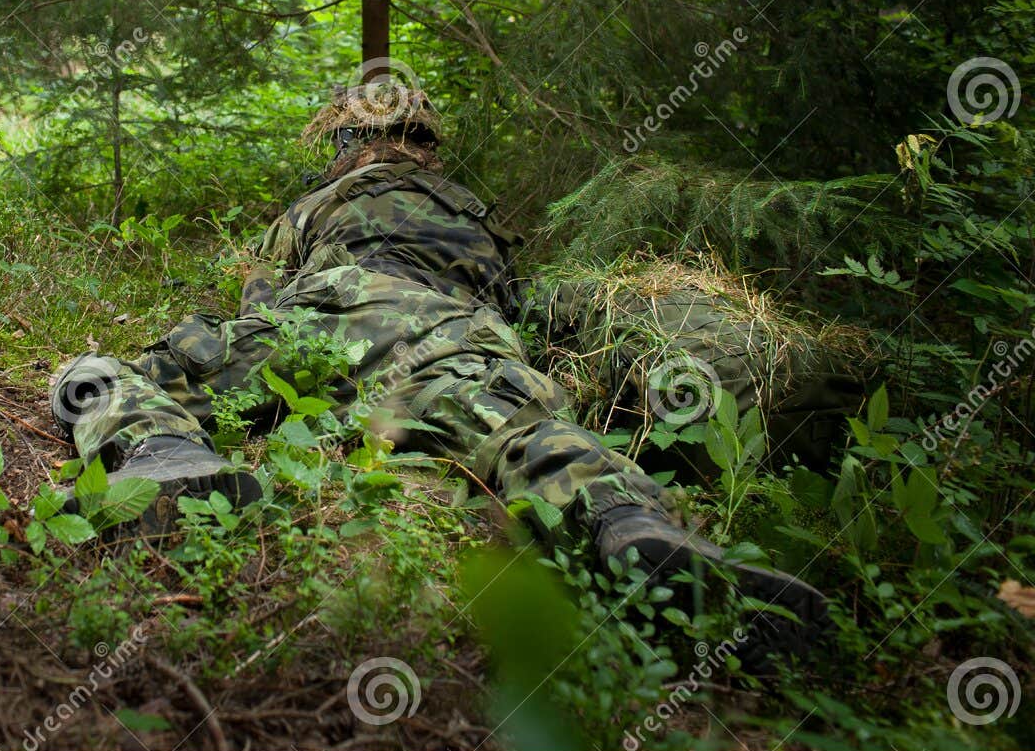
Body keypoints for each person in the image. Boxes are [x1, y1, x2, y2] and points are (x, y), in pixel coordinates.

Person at [50, 80, 827, 655]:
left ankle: (165, 452)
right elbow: (521, 305)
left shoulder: (316, 205)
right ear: (426, 144)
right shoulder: (474, 214)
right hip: (457, 334)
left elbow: (262, 291)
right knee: (520, 427)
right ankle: (627, 519)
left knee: (101, 372)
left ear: (347, 143)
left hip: (335, 311)